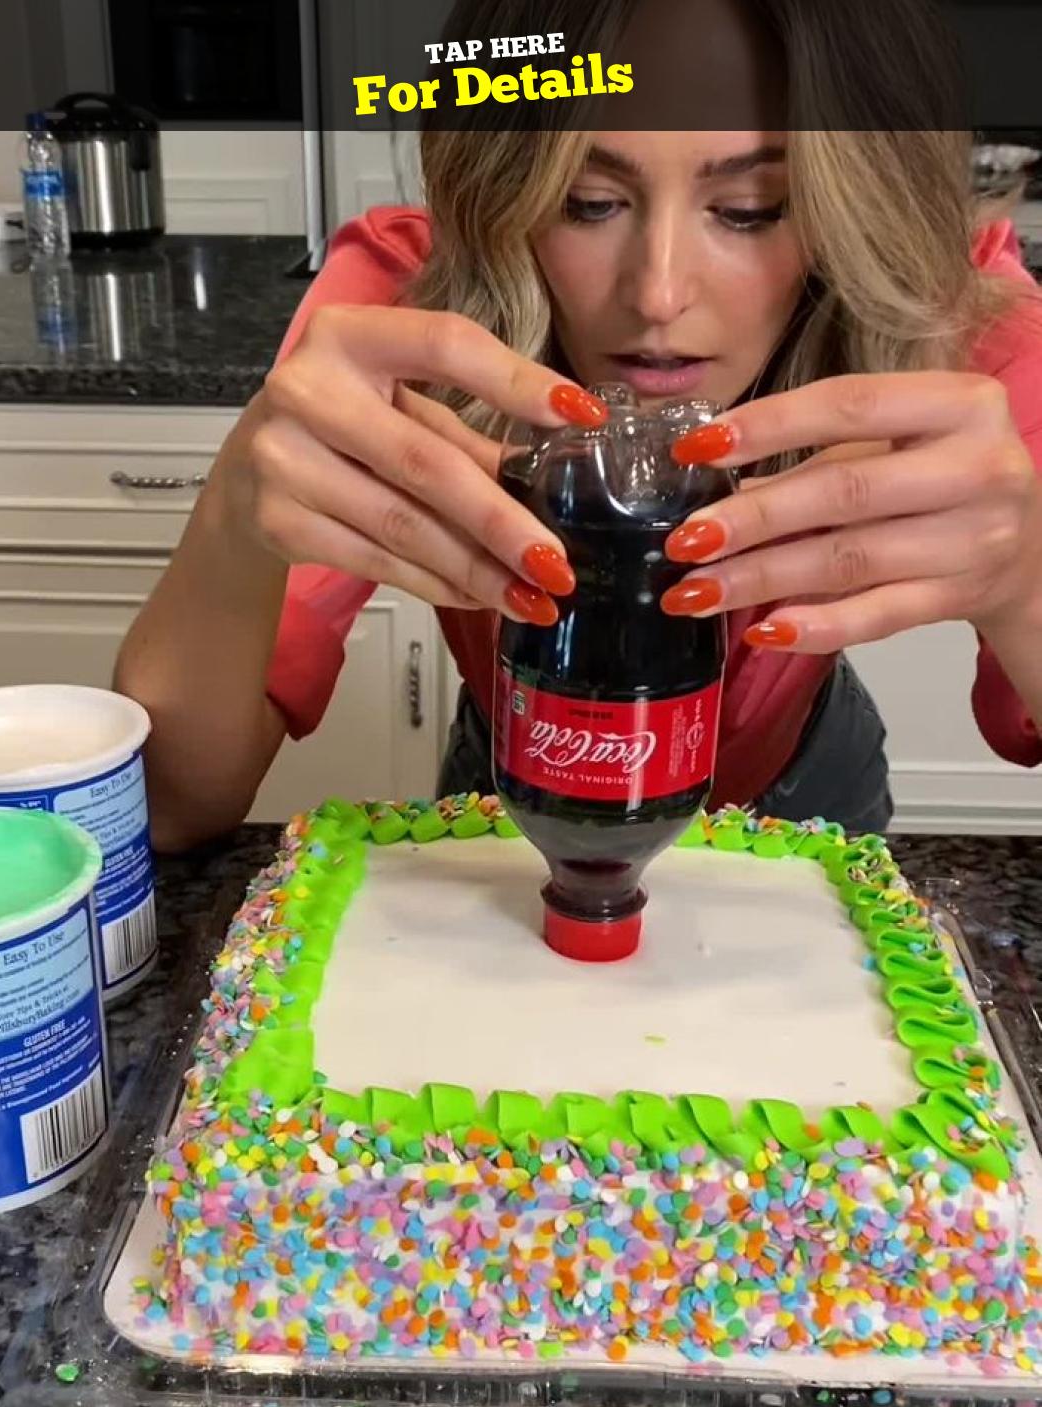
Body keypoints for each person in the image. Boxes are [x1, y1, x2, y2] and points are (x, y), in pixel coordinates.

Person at [115, 0, 1042, 852]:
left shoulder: (962, 331)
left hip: (809, 778)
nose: (658, 293)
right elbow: (166, 806)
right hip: (509, 783)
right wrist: (234, 516)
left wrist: (1025, 590)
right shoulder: (402, 321)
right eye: (586, 202)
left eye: (751, 209)